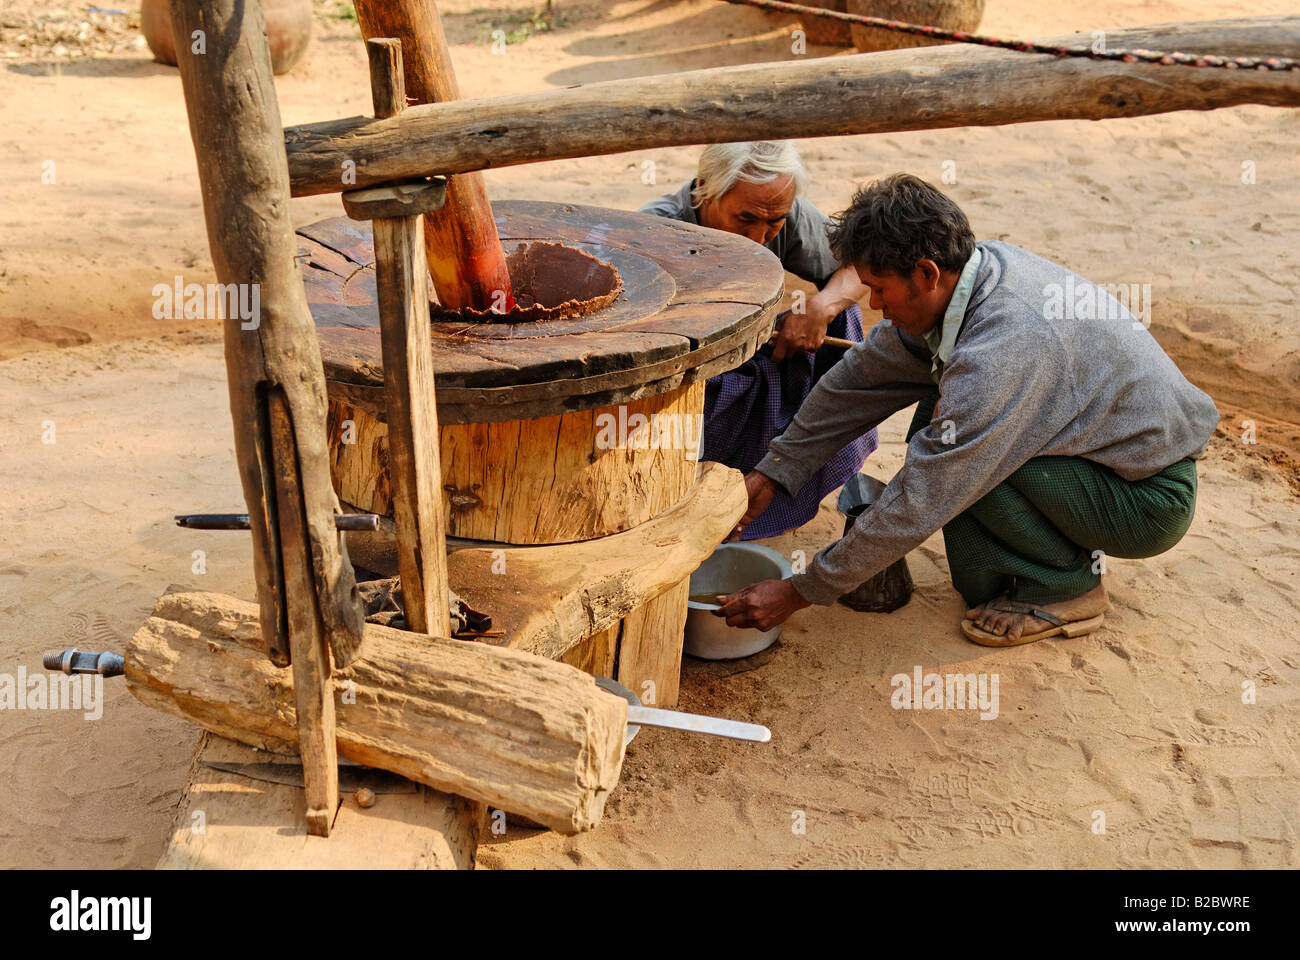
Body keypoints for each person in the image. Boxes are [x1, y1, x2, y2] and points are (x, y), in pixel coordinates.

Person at [715, 173, 1220, 646]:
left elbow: (926, 492)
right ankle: (1032, 567)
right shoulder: (972, 278)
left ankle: (1067, 586)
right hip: (1091, 461)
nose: (875, 305)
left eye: (879, 289)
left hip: (1146, 500)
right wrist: (775, 472)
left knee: (961, 461)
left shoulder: (1000, 350)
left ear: (927, 273)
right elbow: (859, 381)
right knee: (950, 433)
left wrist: (802, 590)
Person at [640, 141, 877, 538]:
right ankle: (690, 507)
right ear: (704, 189)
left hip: (754, 358)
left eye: (773, 224)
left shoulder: (780, 210)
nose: (759, 237)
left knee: (843, 315)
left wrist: (820, 308)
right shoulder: (655, 231)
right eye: (744, 219)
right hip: (686, 381)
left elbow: (857, 265)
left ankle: (783, 480)